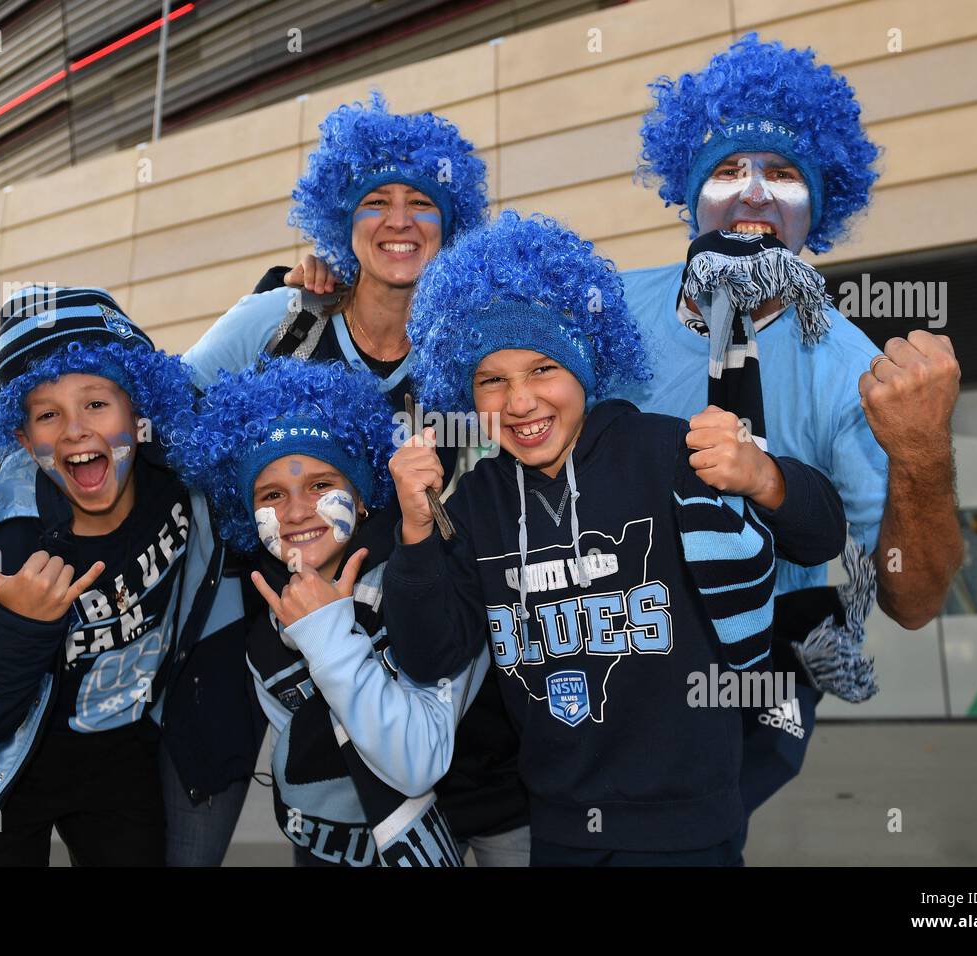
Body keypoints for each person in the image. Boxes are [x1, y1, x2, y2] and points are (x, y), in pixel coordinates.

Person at [383, 211, 847, 865]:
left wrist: (764, 477)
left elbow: (821, 534)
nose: (520, 402)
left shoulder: (665, 451)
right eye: (492, 379)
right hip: (559, 831)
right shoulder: (479, 503)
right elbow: (428, 655)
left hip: (690, 828)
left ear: (586, 364)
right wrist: (416, 536)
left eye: (543, 368)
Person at [628, 34, 964, 833]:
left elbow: (911, 601)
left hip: (743, 682)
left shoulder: (849, 366)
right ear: (686, 189)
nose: (754, 196)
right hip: (594, 649)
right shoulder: (602, 311)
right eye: (727, 169)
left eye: (783, 175)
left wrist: (924, 454)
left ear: (819, 208)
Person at [184, 91, 531, 865]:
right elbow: (160, 414)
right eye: (376, 201)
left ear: (453, 223)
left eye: (422, 203)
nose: (399, 220)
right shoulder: (279, 320)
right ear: (343, 218)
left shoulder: (474, 355)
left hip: (469, 694)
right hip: (317, 691)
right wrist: (6, 476)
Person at [0, 286, 263, 866]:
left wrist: (289, 283)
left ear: (138, 408)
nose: (75, 430)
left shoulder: (180, 481)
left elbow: (258, 364)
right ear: (23, 441)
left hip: (123, 759)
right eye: (48, 414)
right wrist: (17, 626)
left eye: (96, 403)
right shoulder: (15, 540)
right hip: (15, 763)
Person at [173, 357, 490, 865]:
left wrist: (326, 633)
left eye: (321, 485)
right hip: (331, 849)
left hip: (478, 819)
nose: (297, 511)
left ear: (362, 497)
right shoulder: (265, 630)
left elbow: (417, 761)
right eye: (272, 494)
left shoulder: (431, 574)